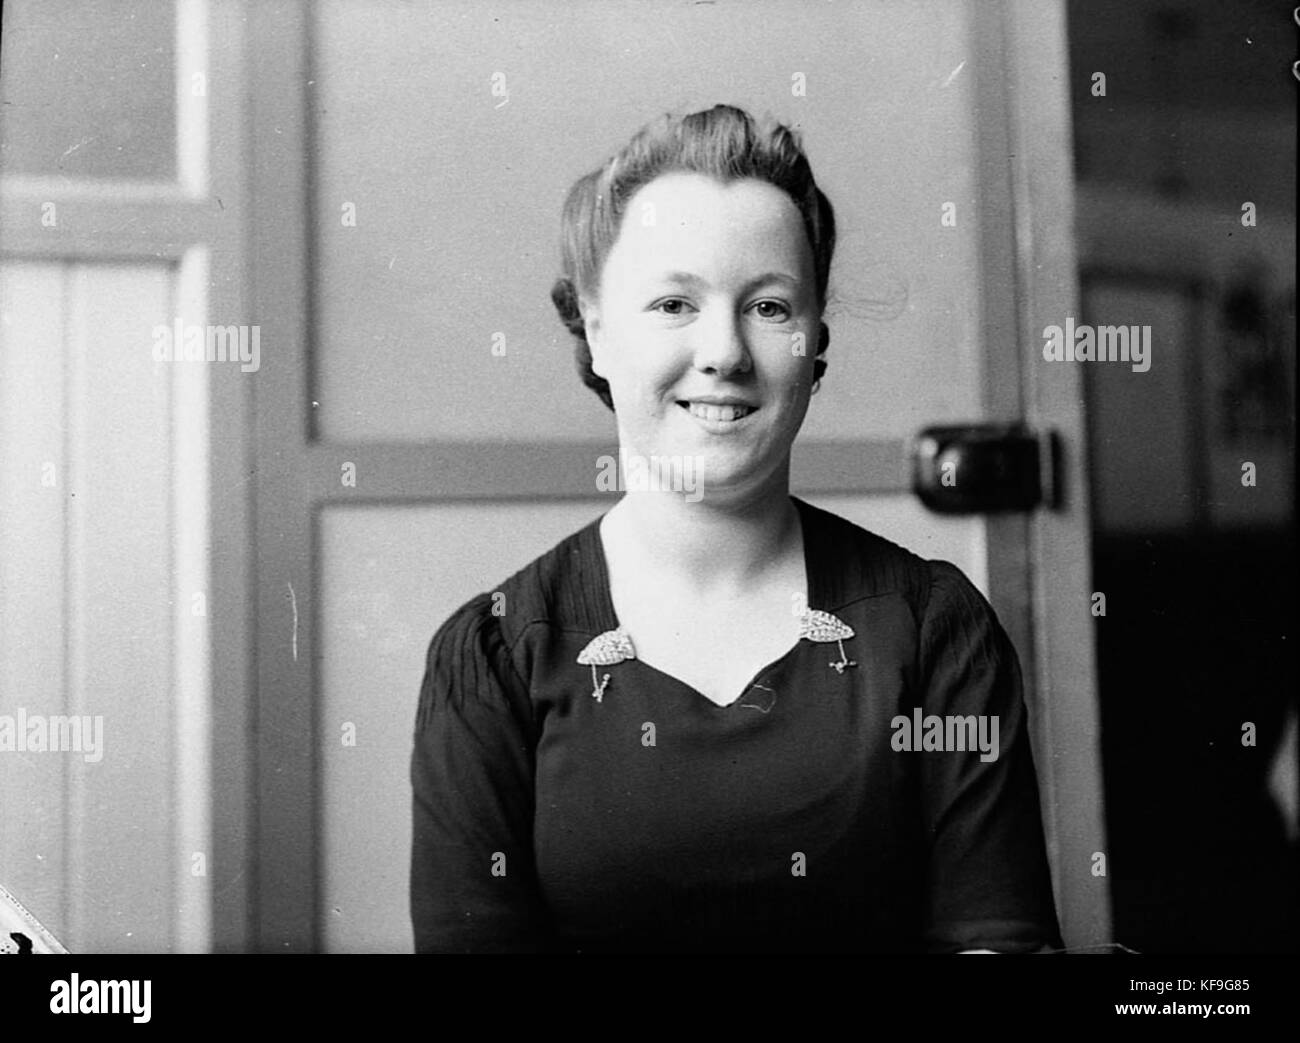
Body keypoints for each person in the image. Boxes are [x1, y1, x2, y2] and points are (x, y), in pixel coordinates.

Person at [410, 104, 1062, 954]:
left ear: (815, 342)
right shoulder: (495, 656)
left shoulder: (934, 632)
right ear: (597, 331)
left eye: (767, 305)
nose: (724, 351)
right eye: (675, 302)